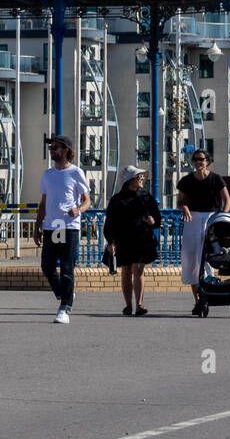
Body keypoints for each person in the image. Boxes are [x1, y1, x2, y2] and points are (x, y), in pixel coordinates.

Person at [33, 134, 91, 324]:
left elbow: (87, 200)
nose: (52, 150)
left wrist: (79, 209)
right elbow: (43, 202)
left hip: (68, 226)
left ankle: (64, 308)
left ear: (66, 149)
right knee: (48, 267)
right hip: (52, 226)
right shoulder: (47, 174)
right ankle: (65, 294)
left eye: (55, 147)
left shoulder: (76, 172)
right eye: (51, 148)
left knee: (67, 268)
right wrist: (37, 226)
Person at [177, 148, 230, 315]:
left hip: (211, 218)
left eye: (201, 159)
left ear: (207, 161)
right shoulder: (186, 181)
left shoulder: (216, 179)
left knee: (208, 258)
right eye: (195, 159)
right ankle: (198, 300)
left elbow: (227, 200)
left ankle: (208, 296)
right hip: (192, 219)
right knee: (192, 260)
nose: (198, 162)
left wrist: (223, 219)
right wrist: (184, 207)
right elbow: (180, 201)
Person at [103, 164, 161, 316]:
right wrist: (110, 241)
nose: (142, 179)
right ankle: (128, 305)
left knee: (139, 269)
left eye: (143, 176)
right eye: (139, 177)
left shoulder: (147, 197)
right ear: (130, 180)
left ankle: (139, 304)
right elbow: (110, 222)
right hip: (123, 239)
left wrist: (152, 221)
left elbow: (158, 219)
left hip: (142, 238)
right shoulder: (117, 199)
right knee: (127, 271)